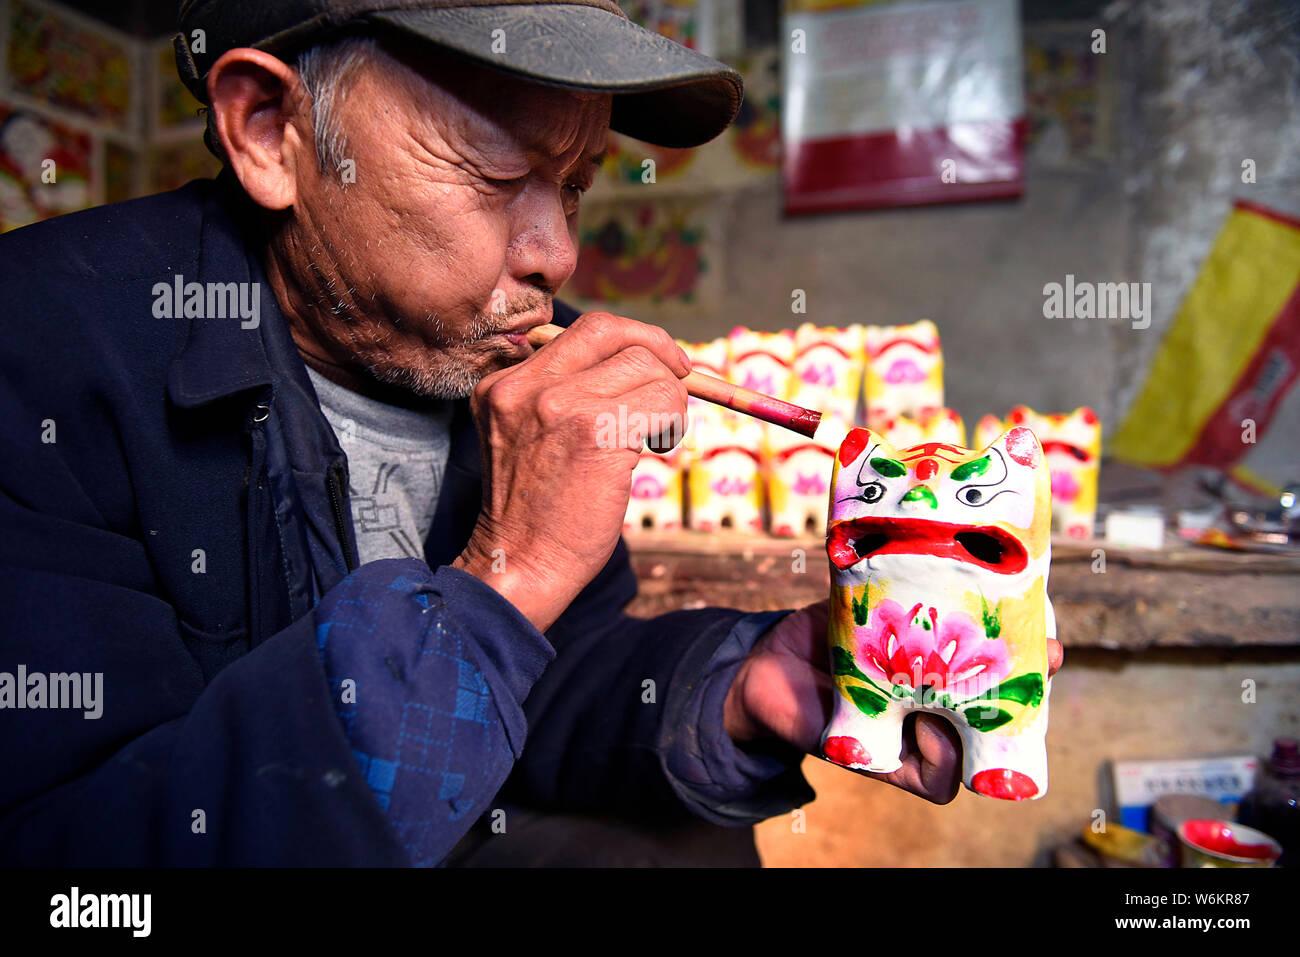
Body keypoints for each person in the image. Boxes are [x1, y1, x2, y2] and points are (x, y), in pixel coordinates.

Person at [0, 0, 1061, 866]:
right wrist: (512, 571)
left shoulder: (478, 356)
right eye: (497, 175)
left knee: (681, 847)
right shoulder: (41, 344)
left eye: (573, 185)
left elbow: (548, 684)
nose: (554, 252)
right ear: (269, 133)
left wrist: (741, 688)